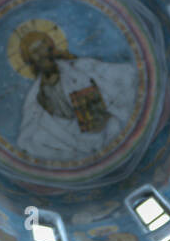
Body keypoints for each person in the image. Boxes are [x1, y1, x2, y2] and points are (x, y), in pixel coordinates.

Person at [15, 31, 136, 162]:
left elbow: (124, 76)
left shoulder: (79, 67)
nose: (42, 54)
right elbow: (27, 137)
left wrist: (104, 107)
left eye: (43, 47)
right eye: (36, 52)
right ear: (31, 61)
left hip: (102, 131)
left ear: (51, 48)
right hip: (68, 141)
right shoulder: (36, 96)